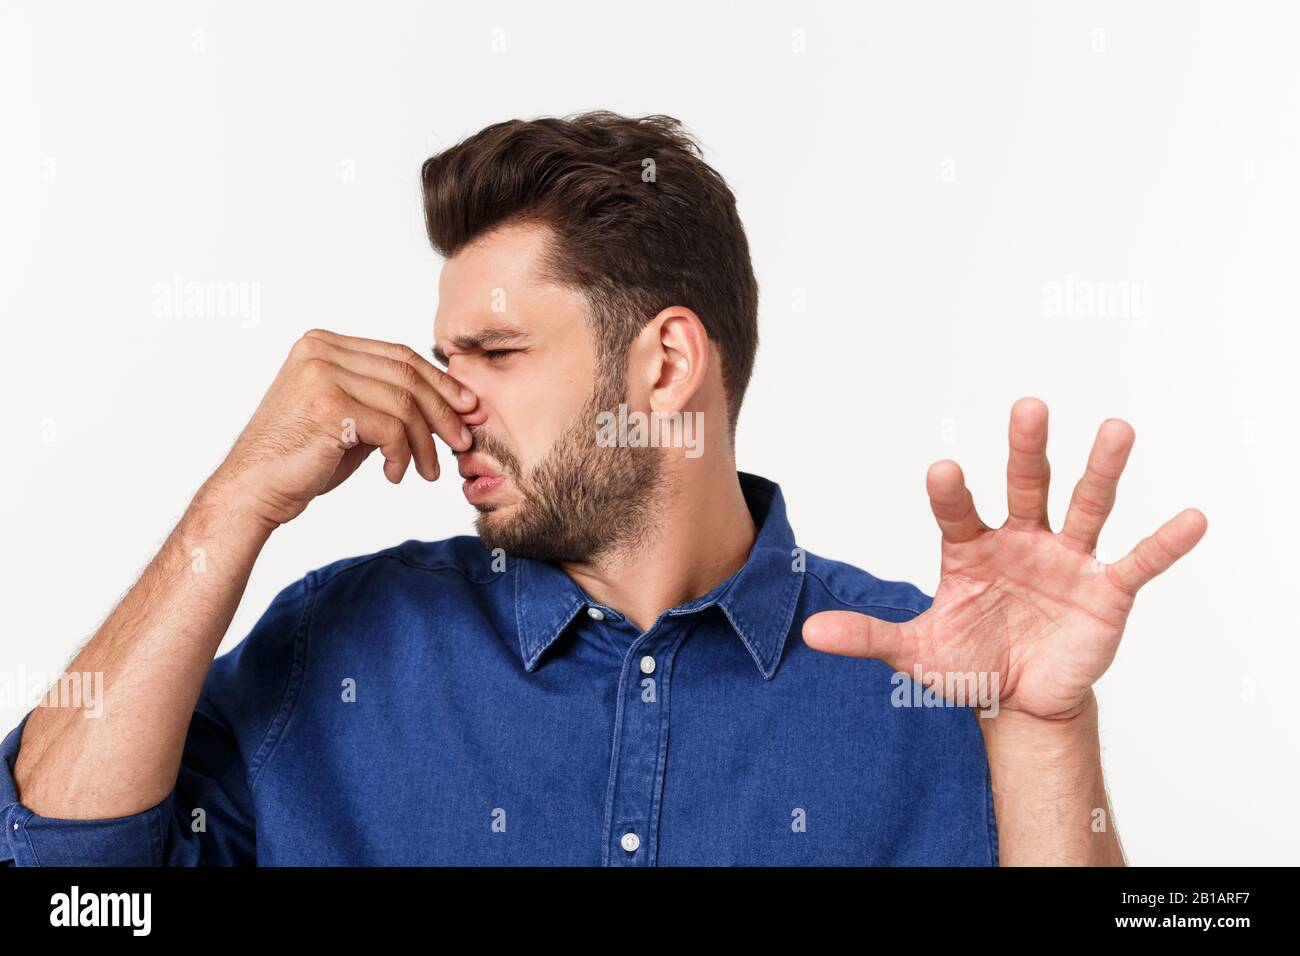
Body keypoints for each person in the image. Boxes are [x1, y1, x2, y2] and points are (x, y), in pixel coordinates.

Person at [0, 112, 1206, 866]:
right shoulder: (338, 640)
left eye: (498, 352)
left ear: (665, 362)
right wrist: (234, 501)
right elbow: (59, 866)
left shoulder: (930, 670)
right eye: (443, 355)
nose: (442, 395)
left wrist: (1044, 735)